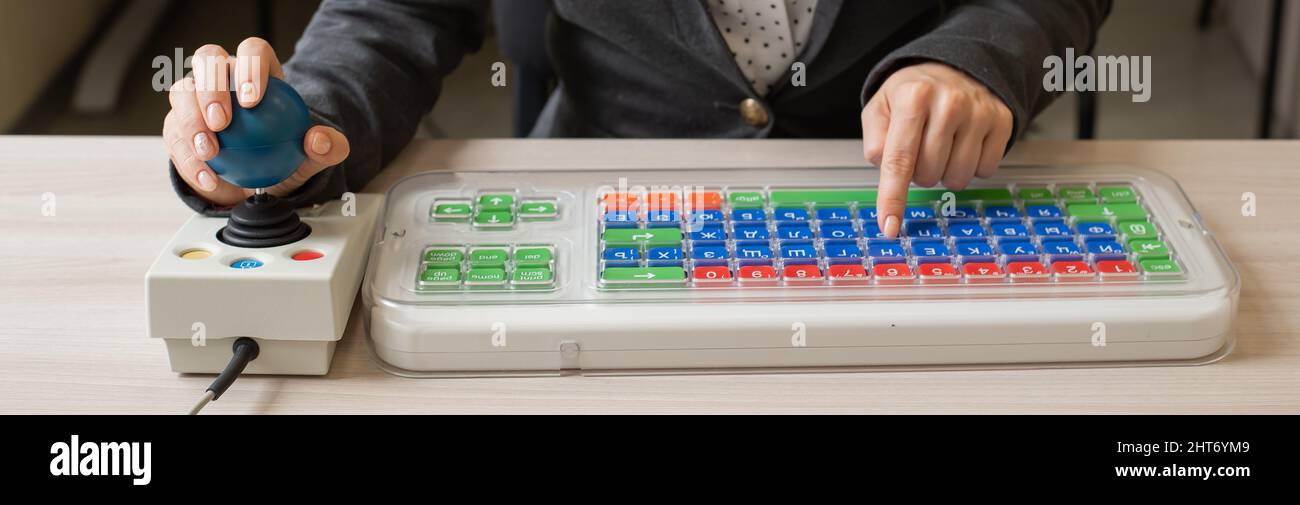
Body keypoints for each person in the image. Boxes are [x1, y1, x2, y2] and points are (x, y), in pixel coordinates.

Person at [163, 0, 1110, 238]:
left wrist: (972, 56)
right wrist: (300, 127)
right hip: (600, 200)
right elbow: (391, 14)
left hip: (893, 198)